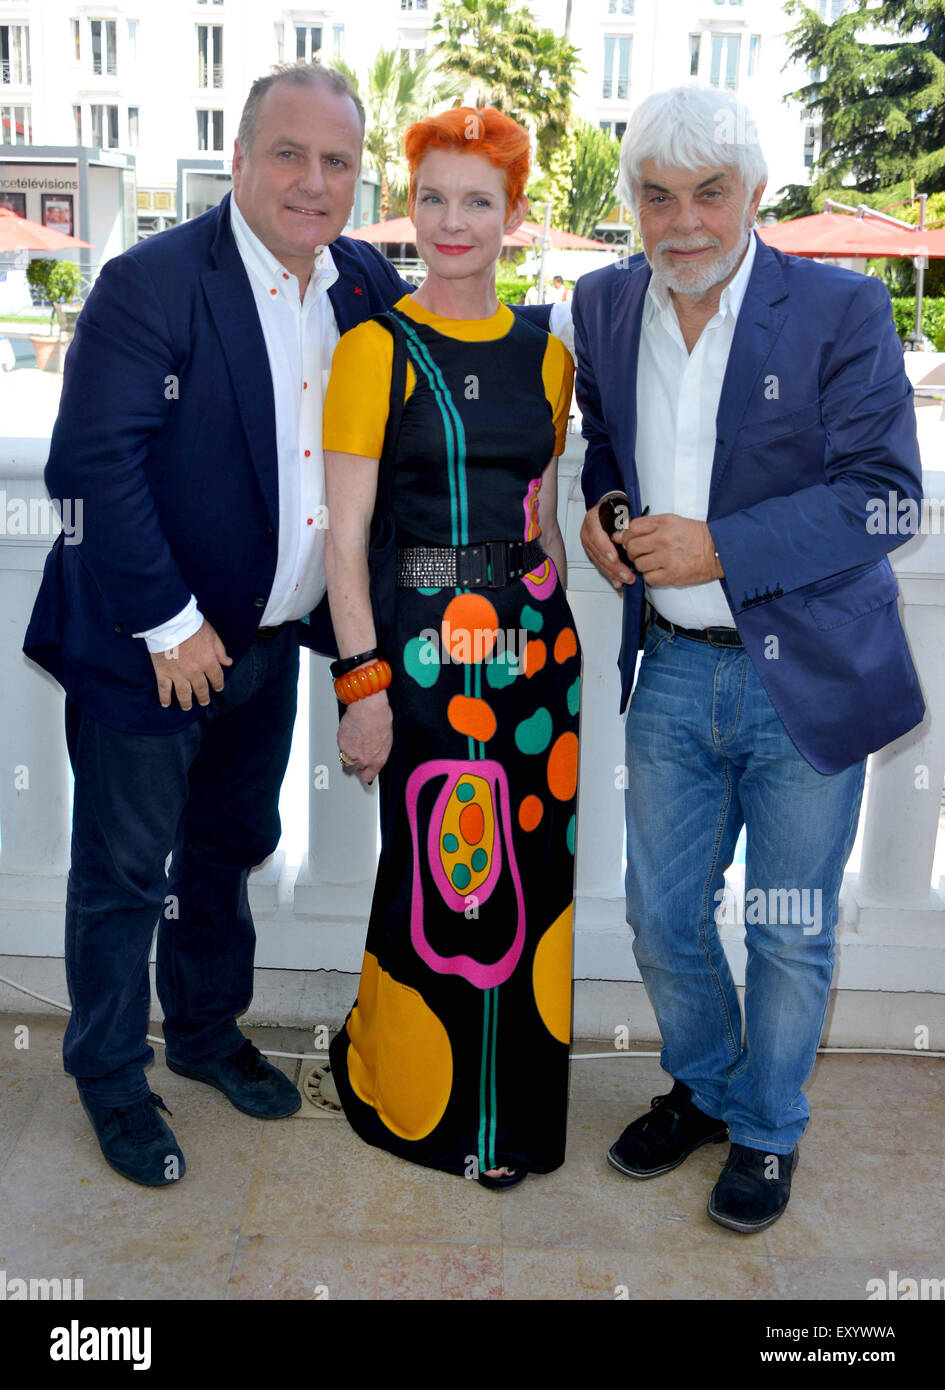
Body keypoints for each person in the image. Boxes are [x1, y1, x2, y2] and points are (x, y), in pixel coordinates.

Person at [22, 62, 425, 1188]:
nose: (313, 181)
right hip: (147, 648)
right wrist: (170, 622)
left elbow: (396, 442)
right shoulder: (147, 283)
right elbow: (91, 467)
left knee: (226, 850)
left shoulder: (362, 284)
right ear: (239, 161)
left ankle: (203, 1034)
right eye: (288, 155)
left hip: (267, 646)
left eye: (336, 162)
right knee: (120, 872)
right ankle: (108, 1073)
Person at [574, 85, 924, 1232]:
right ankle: (711, 1089)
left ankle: (768, 1129)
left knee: (786, 922)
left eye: (709, 194)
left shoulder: (840, 308)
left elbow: (886, 501)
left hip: (806, 672)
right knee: (661, 916)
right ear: (631, 203)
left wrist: (721, 543)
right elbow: (610, 447)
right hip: (673, 664)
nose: (682, 222)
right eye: (657, 196)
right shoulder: (605, 303)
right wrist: (611, 506)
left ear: (756, 196)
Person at [323, 107, 579, 1190]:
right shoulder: (373, 351)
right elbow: (344, 543)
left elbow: (545, 516)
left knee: (530, 879)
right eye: (433, 196)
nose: (452, 221)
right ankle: (427, 1103)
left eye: (479, 199)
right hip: (422, 665)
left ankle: (513, 1118)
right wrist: (364, 683)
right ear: (410, 204)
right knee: (437, 878)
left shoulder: (549, 353)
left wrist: (563, 620)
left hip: (534, 669)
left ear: (516, 216)